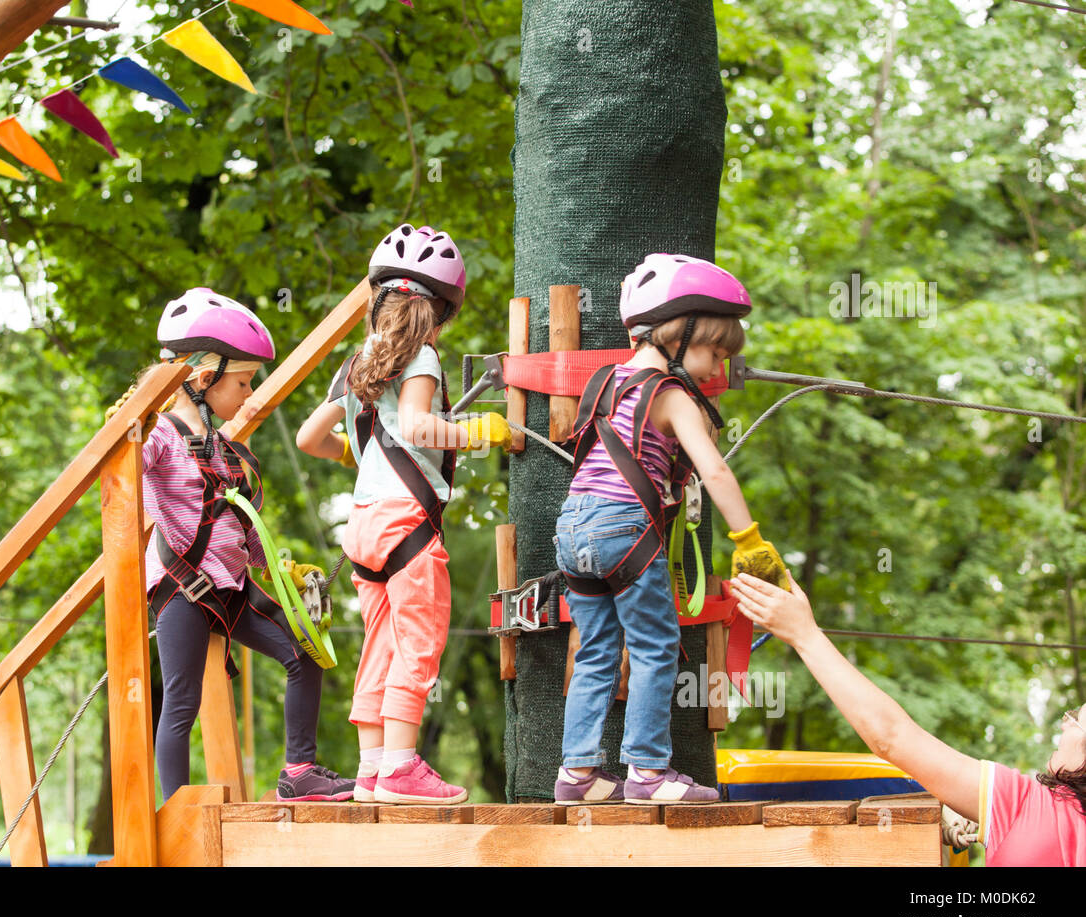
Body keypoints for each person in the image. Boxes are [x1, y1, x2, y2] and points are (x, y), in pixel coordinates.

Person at [554, 253, 790, 807]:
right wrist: (748, 540)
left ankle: (577, 774)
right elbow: (715, 469)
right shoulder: (671, 393)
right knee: (657, 646)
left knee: (595, 650)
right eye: (713, 352)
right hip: (624, 532)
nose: (717, 369)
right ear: (677, 336)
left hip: (572, 530)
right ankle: (648, 773)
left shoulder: (606, 384)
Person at [297, 224, 514, 805]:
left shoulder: (357, 363)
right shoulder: (419, 355)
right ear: (439, 314)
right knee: (418, 641)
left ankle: (370, 770)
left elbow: (308, 438)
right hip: (405, 521)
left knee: (381, 644)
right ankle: (399, 767)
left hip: (364, 523)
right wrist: (478, 433)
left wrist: (356, 450)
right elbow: (418, 426)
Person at [114, 288, 353, 803]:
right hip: (184, 591)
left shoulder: (225, 449)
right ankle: (176, 808)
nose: (248, 393)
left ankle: (300, 772)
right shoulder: (161, 438)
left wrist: (280, 572)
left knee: (304, 654)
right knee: (182, 701)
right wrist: (127, 427)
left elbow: (241, 523)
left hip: (236, 587)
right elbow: (123, 468)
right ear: (203, 379)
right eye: (242, 382)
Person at [730, 570, 1086, 866]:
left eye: (1077, 719)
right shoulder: (1029, 806)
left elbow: (892, 737)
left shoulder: (1029, 802)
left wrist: (804, 634)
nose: (1066, 722)